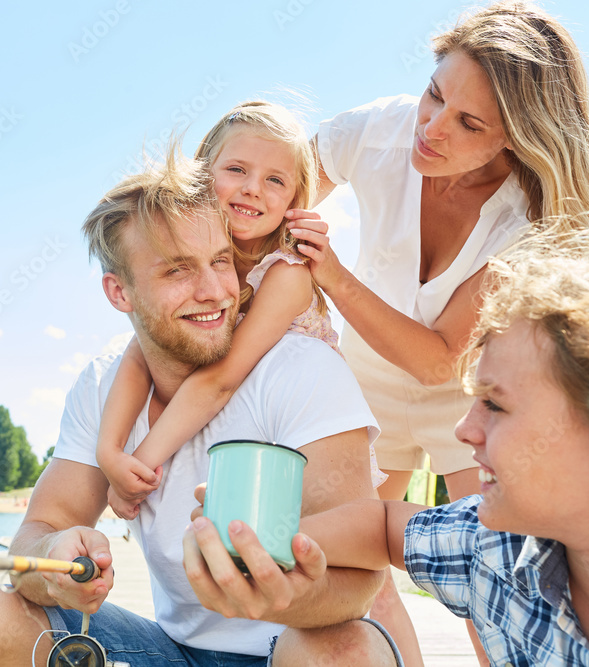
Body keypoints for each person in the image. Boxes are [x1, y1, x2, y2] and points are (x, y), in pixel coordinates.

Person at [0, 151, 400, 666]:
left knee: (349, 650)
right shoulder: (101, 385)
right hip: (170, 652)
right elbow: (36, 535)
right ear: (119, 292)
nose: (214, 292)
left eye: (220, 260)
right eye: (178, 270)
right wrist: (52, 561)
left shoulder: (302, 369)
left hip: (288, 647)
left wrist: (288, 595)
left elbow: (361, 579)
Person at [286, 1, 589, 657]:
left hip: (466, 395)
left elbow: (439, 359)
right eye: (435, 94)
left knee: (494, 573)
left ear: (516, 137)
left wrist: (330, 274)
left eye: (469, 122)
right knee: (348, 567)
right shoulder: (376, 130)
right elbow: (270, 191)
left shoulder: (533, 219)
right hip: (365, 379)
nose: (432, 128)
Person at [299, 230, 589, 665]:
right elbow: (383, 527)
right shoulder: (499, 548)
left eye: (495, 405)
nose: (464, 429)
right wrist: (267, 551)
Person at [97, 101, 386, 522]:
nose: (253, 189)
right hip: (237, 436)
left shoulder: (287, 273)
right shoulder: (208, 261)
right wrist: (109, 452)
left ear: (294, 199)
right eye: (236, 170)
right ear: (202, 175)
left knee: (324, 540)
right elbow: (140, 352)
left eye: (275, 180)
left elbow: (221, 380)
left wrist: (139, 465)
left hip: (301, 438)